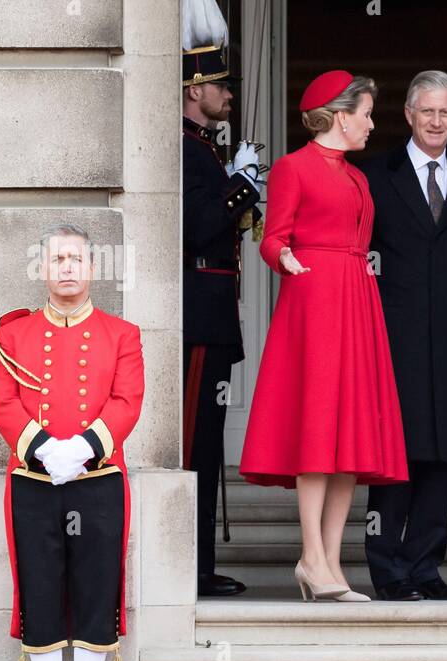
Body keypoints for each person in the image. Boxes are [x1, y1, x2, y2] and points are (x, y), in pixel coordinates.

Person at [239, 70, 408, 603]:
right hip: (314, 302)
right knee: (316, 430)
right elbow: (273, 236)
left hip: (356, 299)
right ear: (341, 116)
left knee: (349, 438)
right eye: (366, 114)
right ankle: (311, 556)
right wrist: (285, 259)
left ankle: (331, 563)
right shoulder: (294, 168)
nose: (371, 124)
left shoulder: (359, 178)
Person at [0, 224, 144, 661]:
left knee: (98, 590)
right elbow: (3, 401)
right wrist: (44, 449)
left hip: (97, 480)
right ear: (44, 269)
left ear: (92, 268)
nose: (68, 268)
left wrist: (79, 449)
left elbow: (127, 402)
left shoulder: (122, 334)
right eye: (58, 260)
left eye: (76, 258)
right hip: (33, 481)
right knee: (41, 588)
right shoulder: (13, 333)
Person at [359, 70, 447, 601]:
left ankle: (425, 566)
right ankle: (387, 567)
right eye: (427, 112)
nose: (436, 121)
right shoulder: (373, 175)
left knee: (441, 455)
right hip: (391, 338)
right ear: (409, 115)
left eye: (446, 113)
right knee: (395, 454)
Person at [181, 43, 263, 597]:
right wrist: (242, 189)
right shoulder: (187, 150)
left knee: (208, 447)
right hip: (196, 322)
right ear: (195, 91)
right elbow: (194, 229)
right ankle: (188, 565)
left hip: (213, 320)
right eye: (221, 85)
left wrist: (235, 182)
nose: (229, 94)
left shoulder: (205, 149)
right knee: (193, 449)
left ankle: (200, 563)